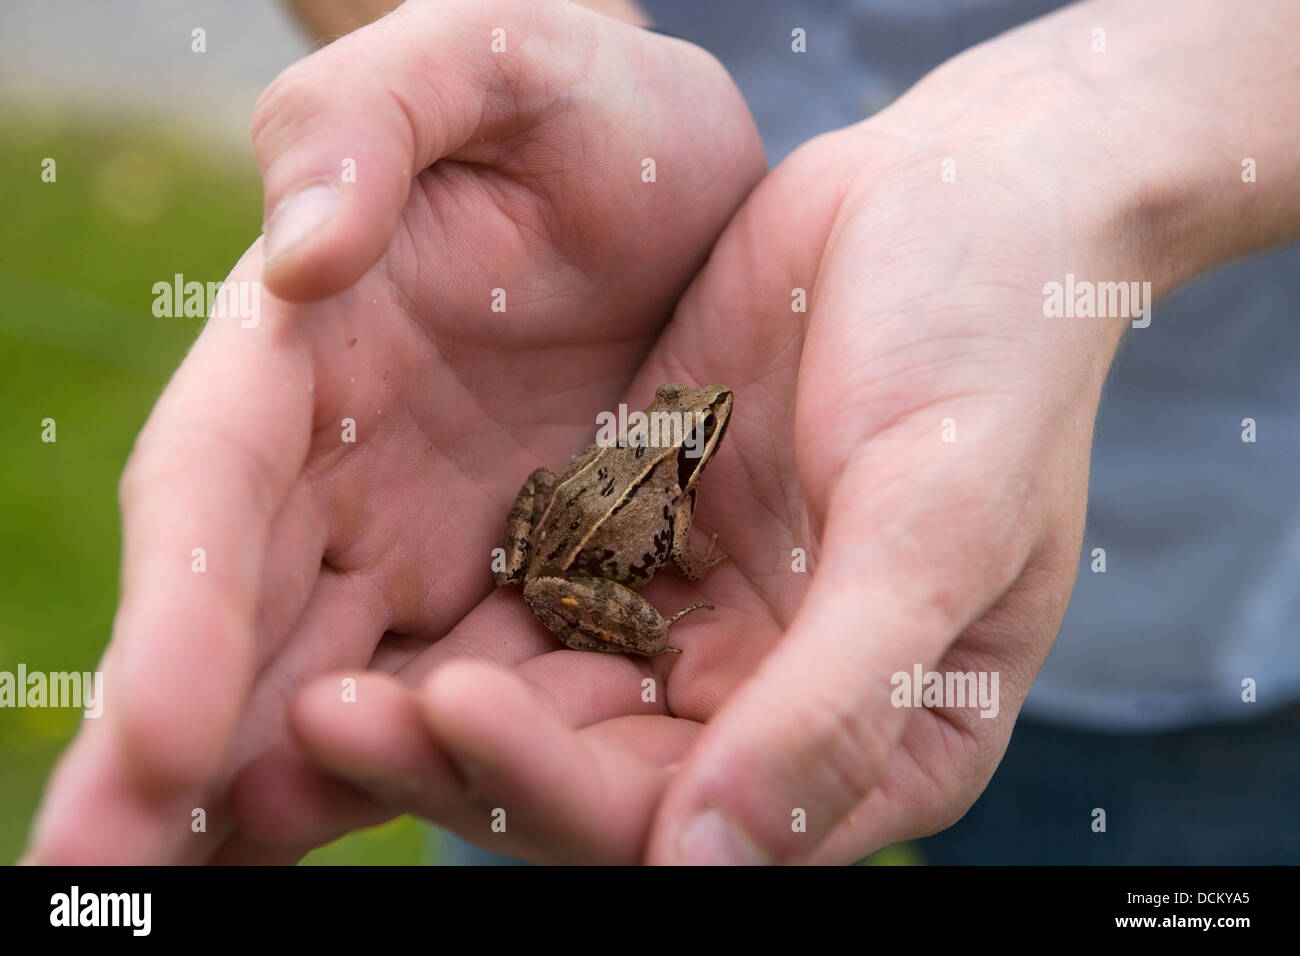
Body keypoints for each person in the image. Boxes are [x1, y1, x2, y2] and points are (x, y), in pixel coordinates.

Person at [23, 0, 1300, 865]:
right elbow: (676, 550)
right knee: (529, 786)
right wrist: (512, 54)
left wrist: (1104, 146)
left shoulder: (667, 442)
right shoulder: (684, 486)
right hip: (591, 530)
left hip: (1216, 599)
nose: (713, 435)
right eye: (705, 437)